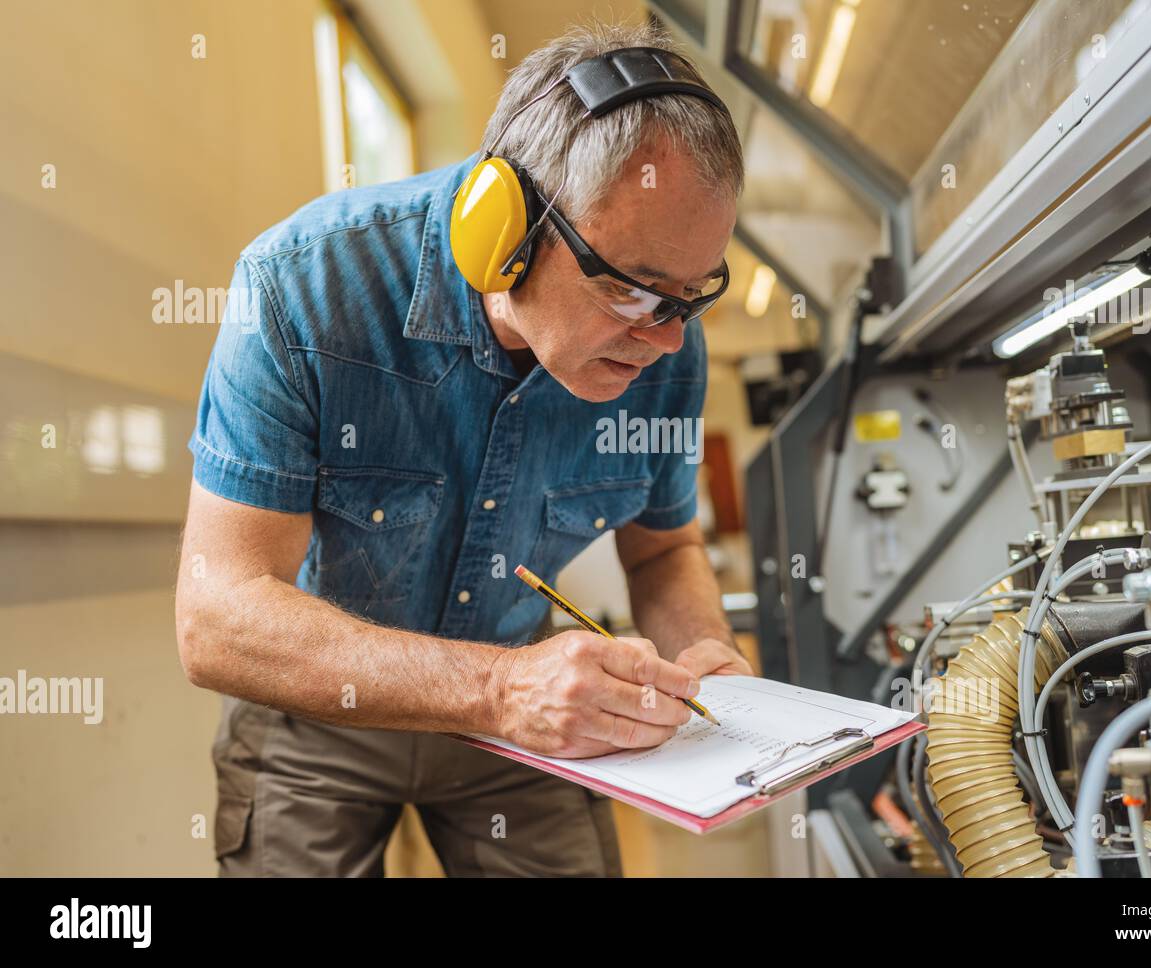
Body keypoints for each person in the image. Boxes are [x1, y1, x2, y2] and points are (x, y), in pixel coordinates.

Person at [175, 22, 751, 877]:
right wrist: (499, 690)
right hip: (318, 712)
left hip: (528, 726)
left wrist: (709, 657)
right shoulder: (300, 291)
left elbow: (665, 548)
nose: (666, 342)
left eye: (691, 296)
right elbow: (215, 619)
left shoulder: (669, 351)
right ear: (502, 228)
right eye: (632, 289)